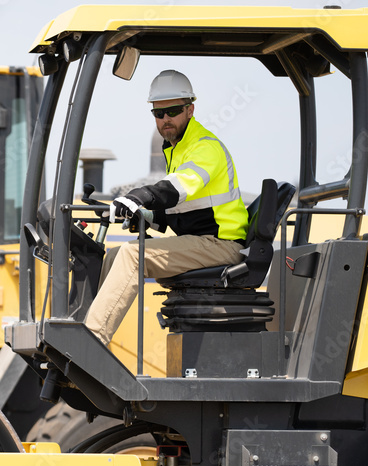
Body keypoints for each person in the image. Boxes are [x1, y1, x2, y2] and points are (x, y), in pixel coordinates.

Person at [84, 70, 249, 345]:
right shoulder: (177, 148)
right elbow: (183, 209)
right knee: (114, 256)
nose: (165, 119)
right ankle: (81, 326)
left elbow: (178, 187)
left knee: (132, 256)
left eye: (172, 111)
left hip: (222, 244)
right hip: (201, 240)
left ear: (190, 109)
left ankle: (91, 341)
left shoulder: (205, 148)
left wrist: (139, 197)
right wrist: (145, 216)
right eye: (158, 114)